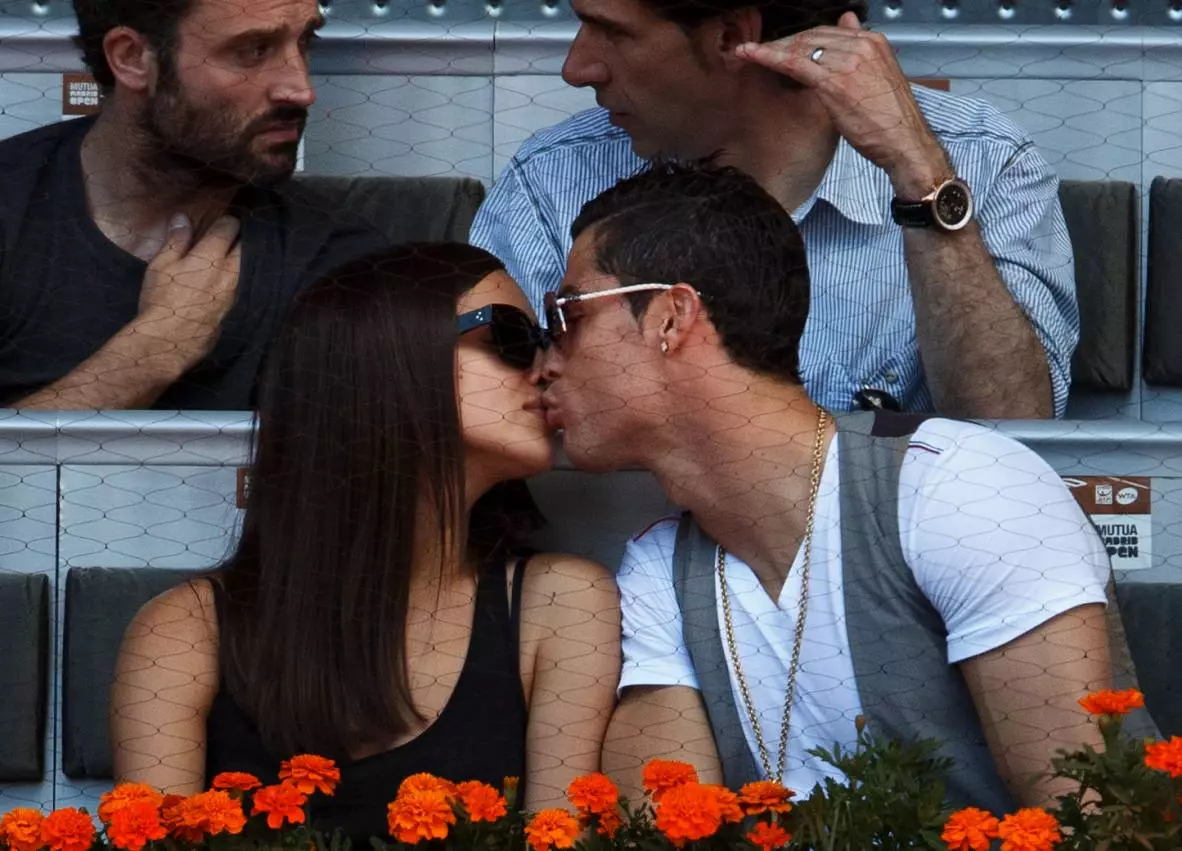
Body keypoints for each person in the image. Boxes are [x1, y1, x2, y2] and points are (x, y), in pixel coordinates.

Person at [539, 162, 1123, 812]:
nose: (543, 363)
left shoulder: (961, 487)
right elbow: (665, 830)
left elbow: (1086, 820)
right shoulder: (660, 572)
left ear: (672, 318)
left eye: (566, 314)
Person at [110, 243, 621, 840]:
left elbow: (559, 835)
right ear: (383, 361)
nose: (545, 365)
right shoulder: (184, 630)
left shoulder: (561, 603)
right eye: (509, 337)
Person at [472, 0, 1078, 419]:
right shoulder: (555, 176)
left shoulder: (978, 158)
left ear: (733, 36)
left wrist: (918, 173)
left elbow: (1013, 430)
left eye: (614, 31)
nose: (577, 68)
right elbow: (487, 420)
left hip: (898, 579)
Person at [0, 0, 390, 410]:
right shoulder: (13, 210)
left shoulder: (342, 265)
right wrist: (152, 353)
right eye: (253, 50)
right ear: (132, 58)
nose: (300, 89)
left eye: (305, 41)